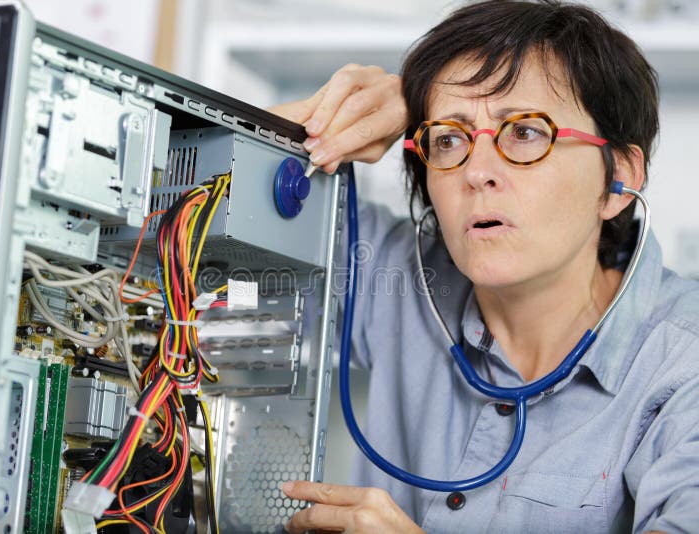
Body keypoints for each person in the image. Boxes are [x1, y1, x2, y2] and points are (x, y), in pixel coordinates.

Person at [269, 1, 699, 533]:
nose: (477, 173)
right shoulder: (394, 275)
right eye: (449, 139)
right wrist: (326, 118)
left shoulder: (684, 365)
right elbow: (187, 199)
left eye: (523, 132)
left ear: (617, 179)